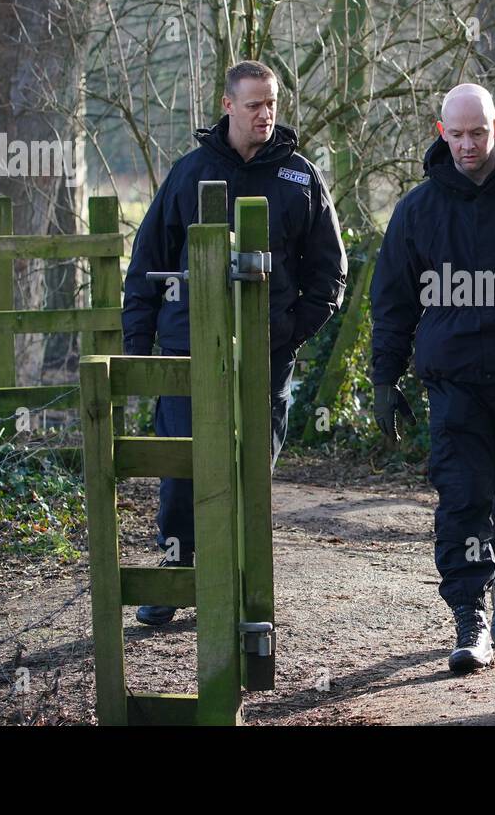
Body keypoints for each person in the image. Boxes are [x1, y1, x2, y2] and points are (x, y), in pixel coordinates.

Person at [122, 59, 347, 626]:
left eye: (272, 103)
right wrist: (139, 346)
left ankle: (244, 587)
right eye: (253, 104)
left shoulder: (301, 178)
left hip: (264, 357)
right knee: (183, 470)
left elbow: (330, 275)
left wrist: (288, 333)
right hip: (188, 351)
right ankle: (175, 577)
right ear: (228, 105)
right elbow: (146, 263)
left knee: (252, 472)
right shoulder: (189, 174)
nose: (265, 114)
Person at [370, 82, 495, 673]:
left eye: (477, 132)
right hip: (453, 380)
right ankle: (469, 613)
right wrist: (386, 378)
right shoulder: (418, 209)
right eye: (456, 134)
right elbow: (393, 301)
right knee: (462, 497)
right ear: (441, 132)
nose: (466, 144)